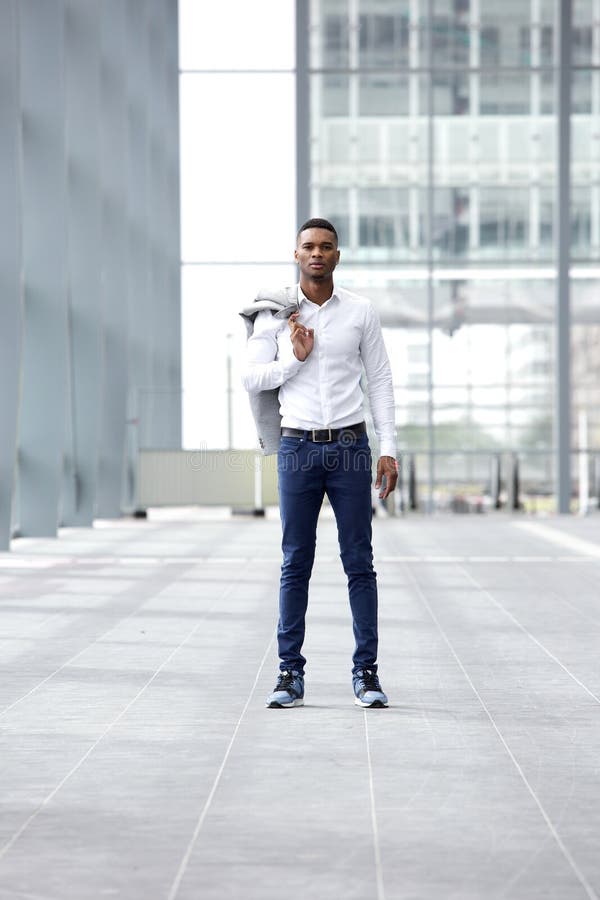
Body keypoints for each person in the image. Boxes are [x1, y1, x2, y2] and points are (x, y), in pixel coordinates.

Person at [241, 218, 397, 709]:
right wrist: (295, 360)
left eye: (326, 247)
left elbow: (380, 380)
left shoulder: (360, 312)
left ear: (337, 255)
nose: (316, 254)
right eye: (308, 246)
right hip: (298, 447)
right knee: (295, 562)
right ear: (296, 254)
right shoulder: (275, 316)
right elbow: (252, 378)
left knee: (359, 563)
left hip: (351, 447)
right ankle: (290, 674)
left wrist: (388, 446)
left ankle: (366, 673)